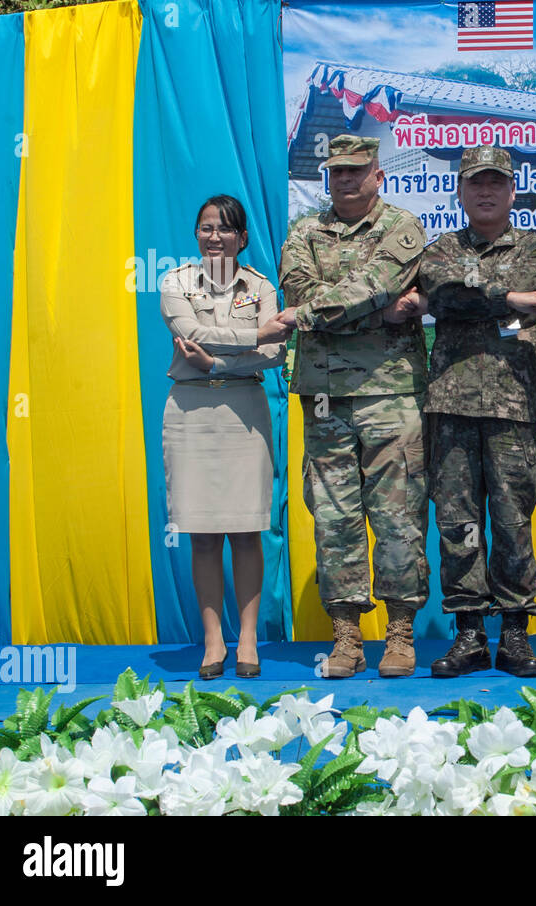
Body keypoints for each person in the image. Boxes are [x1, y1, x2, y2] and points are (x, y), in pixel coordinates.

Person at [388, 145, 536, 678]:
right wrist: (508, 297)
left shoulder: (535, 248)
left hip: (513, 406)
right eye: (475, 183)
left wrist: (488, 294)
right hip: (450, 404)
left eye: (495, 183)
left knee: (512, 520)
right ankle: (470, 634)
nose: (485, 192)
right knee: (459, 522)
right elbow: (448, 297)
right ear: (459, 191)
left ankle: (517, 634)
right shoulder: (438, 251)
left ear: (510, 190)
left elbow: (510, 294)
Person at [276, 134, 429, 679]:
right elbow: (298, 292)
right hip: (323, 396)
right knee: (333, 517)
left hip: (391, 393)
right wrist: (374, 312)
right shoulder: (303, 231)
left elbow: (375, 283)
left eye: (355, 170)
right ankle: (346, 637)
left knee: (398, 515)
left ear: (378, 174)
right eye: (335, 171)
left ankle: (399, 633)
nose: (344, 179)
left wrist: (322, 312)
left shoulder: (403, 227)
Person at [160, 194, 291, 679]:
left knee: (246, 530)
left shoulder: (259, 286)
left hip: (244, 411)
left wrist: (217, 362)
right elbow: (192, 330)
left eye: (224, 229)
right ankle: (214, 641)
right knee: (203, 535)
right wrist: (256, 337)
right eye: (206, 228)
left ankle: (249, 640)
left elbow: (278, 354)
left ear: (242, 238)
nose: (214, 236)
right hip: (190, 411)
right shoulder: (174, 281)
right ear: (196, 234)